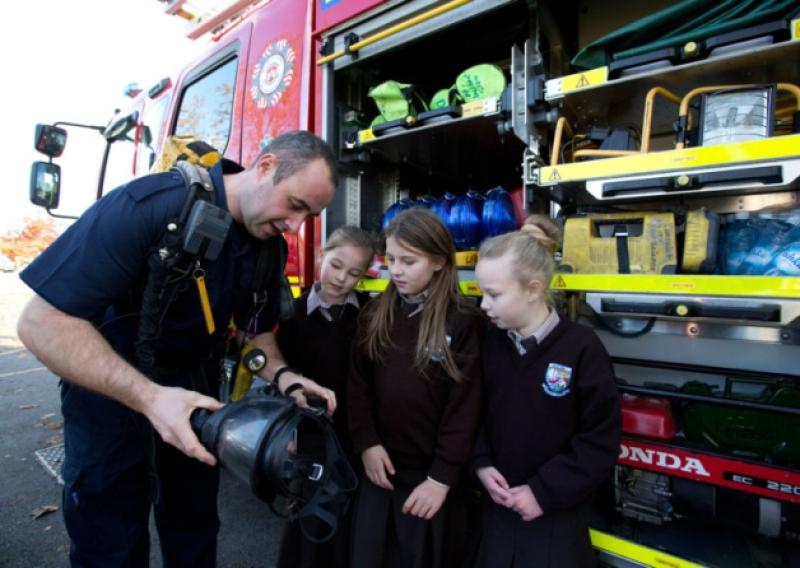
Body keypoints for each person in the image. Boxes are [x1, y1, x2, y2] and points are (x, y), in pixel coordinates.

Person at [16, 130, 340, 567]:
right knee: (109, 545)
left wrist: (284, 376)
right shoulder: (152, 206)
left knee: (194, 533)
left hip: (196, 402)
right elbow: (40, 323)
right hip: (109, 403)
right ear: (265, 167)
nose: (296, 226)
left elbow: (254, 332)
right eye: (296, 205)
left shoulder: (268, 249)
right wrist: (150, 398)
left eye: (310, 215)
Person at [472, 215, 621, 567]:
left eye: (493, 295)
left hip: (555, 520)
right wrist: (479, 463)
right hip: (494, 515)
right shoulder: (489, 342)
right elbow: (471, 409)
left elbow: (600, 439)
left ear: (534, 289)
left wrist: (543, 491)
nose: (483, 305)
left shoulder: (582, 349)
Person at [348, 207, 484, 568]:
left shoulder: (464, 322)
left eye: (409, 261)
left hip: (433, 481)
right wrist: (366, 443)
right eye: (391, 258)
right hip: (381, 470)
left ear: (439, 261)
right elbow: (358, 384)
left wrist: (442, 478)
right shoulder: (375, 313)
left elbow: (465, 407)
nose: (396, 270)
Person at [275, 225, 376, 568]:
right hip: (310, 433)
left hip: (354, 431)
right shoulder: (293, 315)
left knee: (349, 513)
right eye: (336, 265)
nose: (341, 278)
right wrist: (288, 431)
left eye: (353, 273)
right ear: (321, 256)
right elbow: (282, 377)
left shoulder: (369, 314)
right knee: (309, 511)